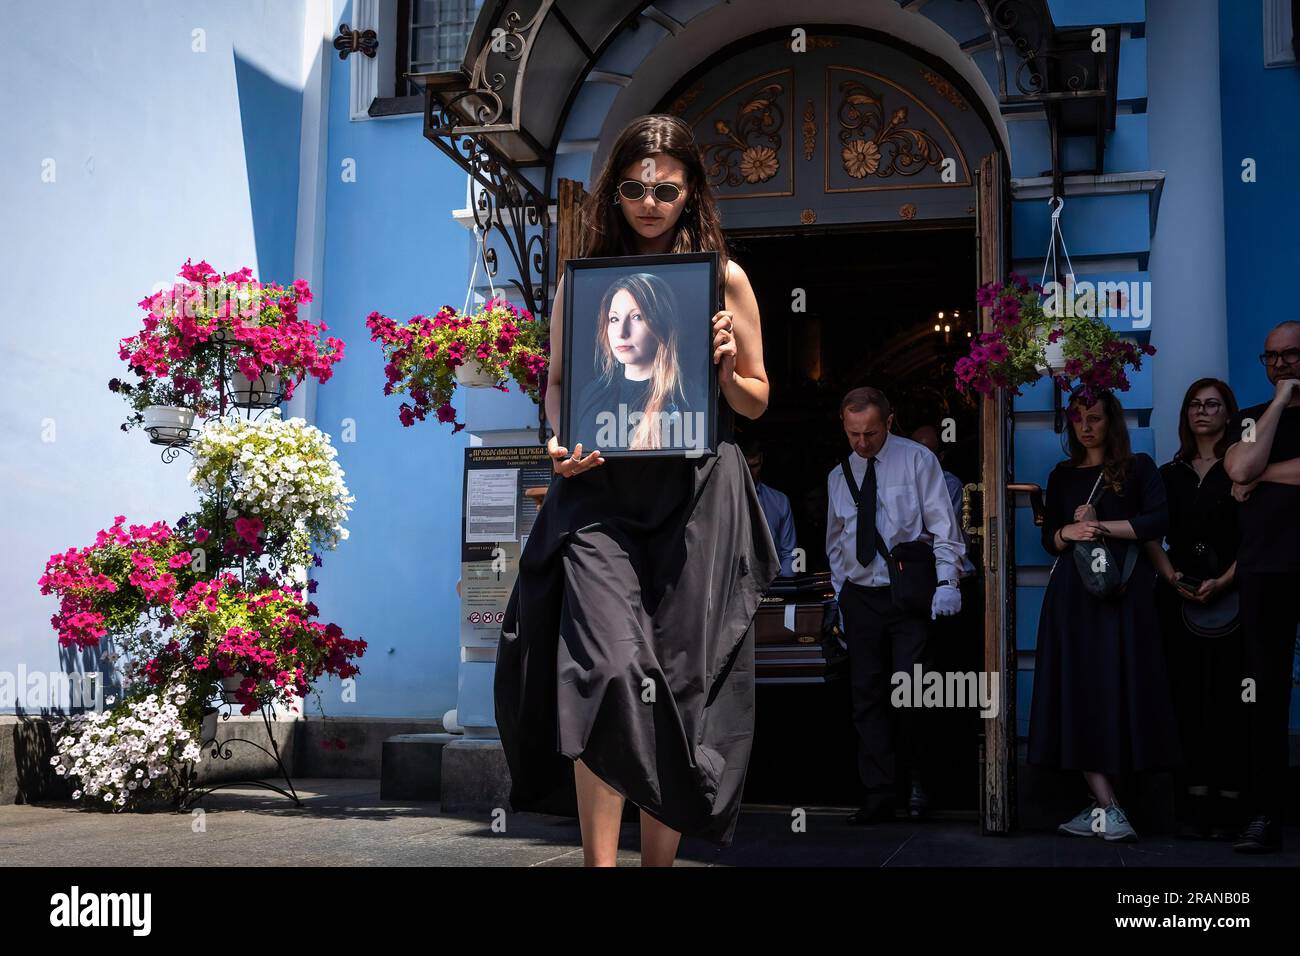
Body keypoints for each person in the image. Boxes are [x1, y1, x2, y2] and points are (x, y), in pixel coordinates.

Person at [494, 114, 780, 867]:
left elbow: (755, 399)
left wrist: (723, 367)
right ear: (614, 192)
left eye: (666, 189)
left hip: (697, 495)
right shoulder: (582, 283)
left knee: (681, 682)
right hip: (598, 497)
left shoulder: (724, 280)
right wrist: (558, 440)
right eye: (633, 188)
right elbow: (558, 385)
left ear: (690, 194)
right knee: (607, 672)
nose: (649, 202)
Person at [1030, 389, 1180, 842]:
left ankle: (1111, 806)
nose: (1085, 426)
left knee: (1119, 690)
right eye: (1078, 418)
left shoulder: (1138, 469)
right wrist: (1065, 531)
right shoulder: (1062, 474)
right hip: (1073, 599)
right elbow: (1050, 541)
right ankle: (1105, 805)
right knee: (1076, 692)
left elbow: (1156, 522)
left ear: (1110, 421)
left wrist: (1097, 526)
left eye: (1093, 417)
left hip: (1124, 596)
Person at [825, 387, 965, 824]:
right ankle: (879, 792)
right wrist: (841, 596)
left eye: (869, 433)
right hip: (861, 597)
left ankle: (920, 783)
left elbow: (944, 525)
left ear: (889, 421)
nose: (862, 443)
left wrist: (947, 581)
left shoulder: (918, 461)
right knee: (865, 695)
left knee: (912, 691)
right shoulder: (838, 476)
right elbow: (836, 541)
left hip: (906, 594)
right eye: (853, 435)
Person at [1145, 378, 1243, 839]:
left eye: (1213, 405)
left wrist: (1225, 580)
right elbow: (1151, 535)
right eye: (1194, 405)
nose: (1203, 412)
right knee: (1185, 696)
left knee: (1229, 699)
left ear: (1229, 413)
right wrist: (1170, 576)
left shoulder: (1242, 467)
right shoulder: (1169, 473)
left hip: (1232, 594)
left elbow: (1258, 531)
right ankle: (1192, 799)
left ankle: (1230, 800)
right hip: (1178, 596)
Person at [1222, 319, 1300, 853]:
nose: (1279, 365)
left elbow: (1249, 474)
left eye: (1290, 357)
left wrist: (1257, 477)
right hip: (1265, 573)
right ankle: (1264, 815)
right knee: (1264, 696)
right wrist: (1279, 402)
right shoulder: (1251, 418)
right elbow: (1241, 460)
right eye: (1270, 358)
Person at [571, 272, 692, 451]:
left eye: (637, 317)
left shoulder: (685, 396)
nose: (622, 332)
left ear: (662, 323)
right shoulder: (593, 395)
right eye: (614, 319)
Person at [742, 439, 797, 577]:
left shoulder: (780, 502)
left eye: (754, 466)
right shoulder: (722, 501)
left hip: (773, 586)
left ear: (761, 461)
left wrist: (785, 588)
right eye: (745, 467)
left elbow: (789, 553)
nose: (749, 473)